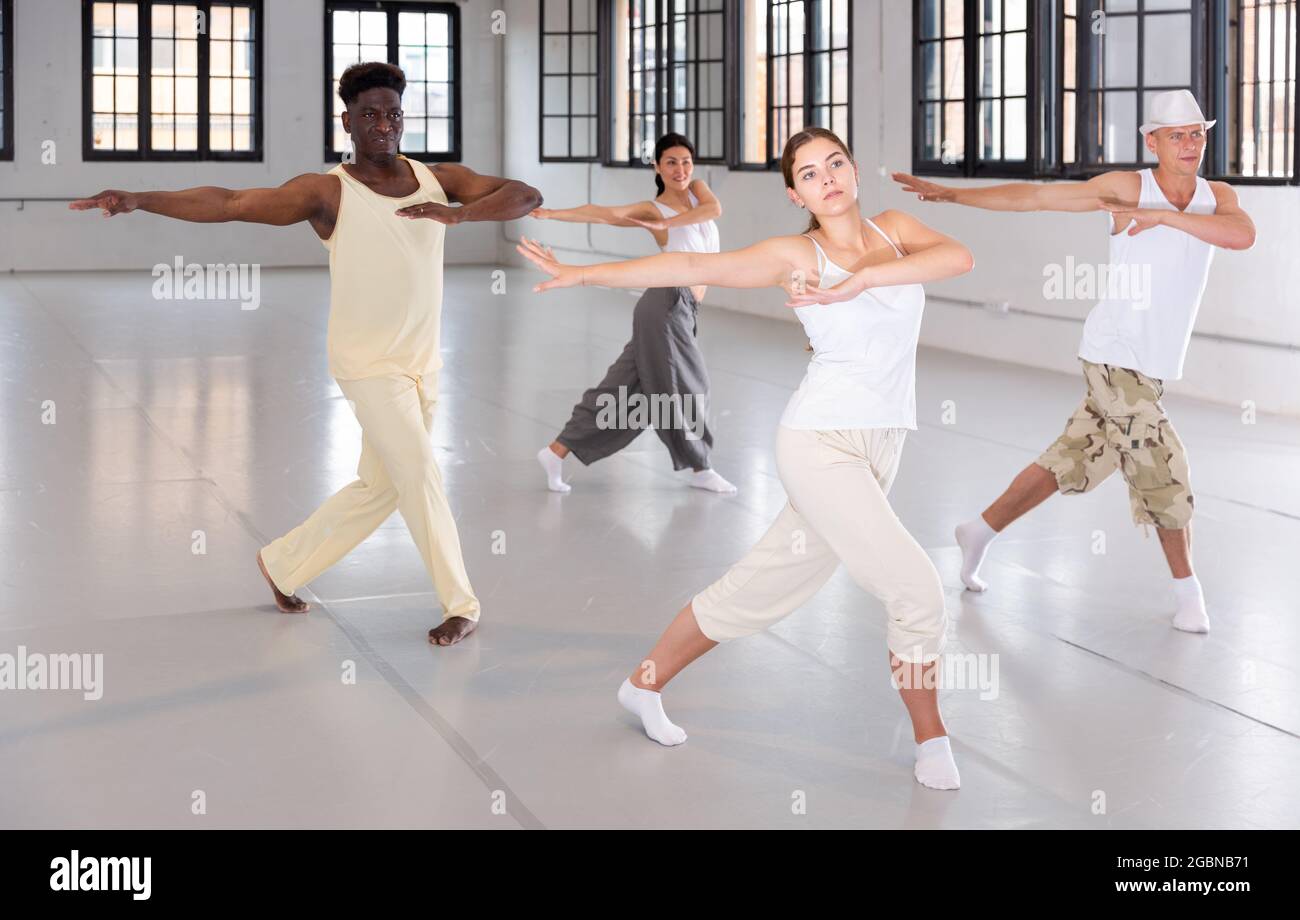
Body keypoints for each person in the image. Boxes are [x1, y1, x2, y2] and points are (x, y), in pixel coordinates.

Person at [519, 127, 974, 790]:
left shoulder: (895, 229)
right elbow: (689, 268)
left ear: (853, 167)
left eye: (836, 163)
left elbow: (957, 258)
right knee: (916, 589)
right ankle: (933, 741)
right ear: (795, 192)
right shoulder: (797, 253)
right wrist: (583, 272)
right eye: (811, 174)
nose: (829, 179)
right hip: (820, 444)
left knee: (768, 583)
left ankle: (642, 685)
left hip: (883, 440)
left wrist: (863, 280)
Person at [71, 62, 543, 647]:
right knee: (420, 472)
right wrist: (140, 198)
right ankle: (461, 603)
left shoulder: (437, 179)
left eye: (392, 113)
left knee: (382, 486)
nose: (383, 125)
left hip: (424, 361)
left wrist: (460, 213)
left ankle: (284, 563)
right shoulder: (327, 192)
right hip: (368, 365)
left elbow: (525, 194)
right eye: (369, 114)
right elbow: (232, 201)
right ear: (346, 121)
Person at [894, 89, 1256, 635]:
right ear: (1151, 140)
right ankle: (1189, 594)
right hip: (1112, 355)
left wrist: (1162, 220)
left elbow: (1241, 236)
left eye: (1196, 133)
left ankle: (979, 530)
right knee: (1164, 465)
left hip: (1151, 365)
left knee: (1071, 460)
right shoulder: (1127, 187)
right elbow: (1035, 197)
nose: (1188, 144)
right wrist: (953, 195)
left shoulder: (1216, 195)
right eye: (1175, 135)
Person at [530, 133, 736, 494]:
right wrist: (552, 214)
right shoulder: (653, 209)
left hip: (682, 309)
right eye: (670, 162)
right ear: (656, 167)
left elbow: (714, 210)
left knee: (626, 391)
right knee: (689, 384)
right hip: (666, 305)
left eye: (686, 161)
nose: (680, 169)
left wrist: (668, 227)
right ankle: (700, 466)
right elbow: (605, 214)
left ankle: (556, 451)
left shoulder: (699, 193)